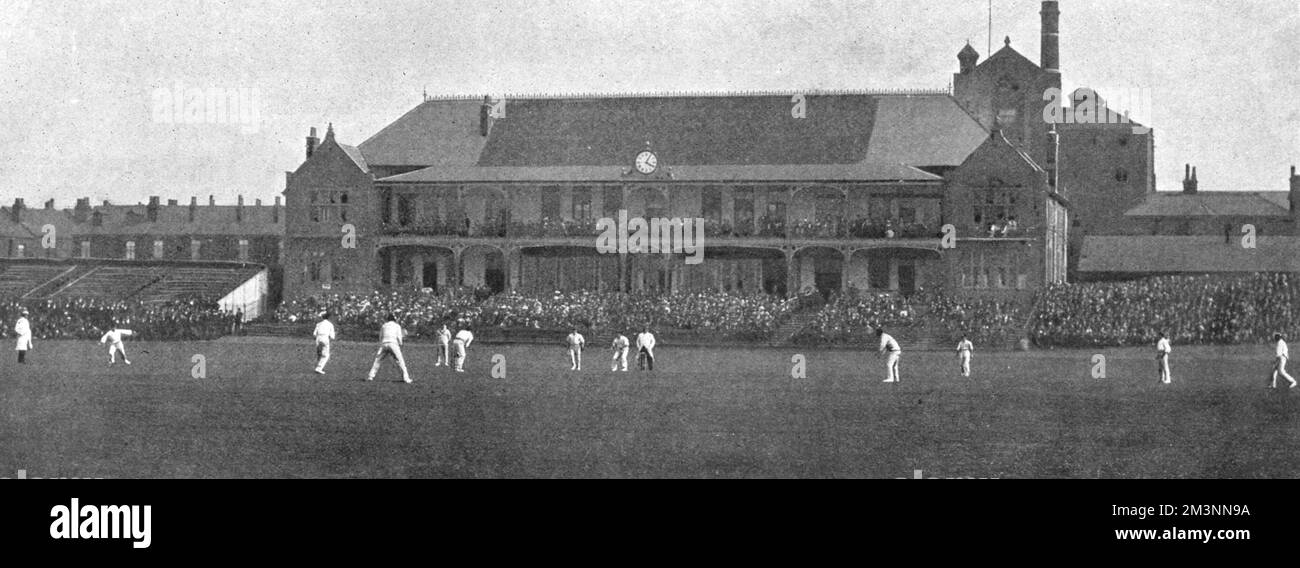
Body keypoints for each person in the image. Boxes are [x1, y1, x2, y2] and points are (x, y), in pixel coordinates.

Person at [366, 314, 411, 383]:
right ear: (394, 319)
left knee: (377, 361)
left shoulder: (384, 326)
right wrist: (401, 344)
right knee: (400, 362)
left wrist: (382, 344)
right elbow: (399, 337)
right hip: (393, 344)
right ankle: (406, 379)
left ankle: (370, 377)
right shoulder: (397, 326)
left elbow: (380, 337)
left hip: (384, 344)